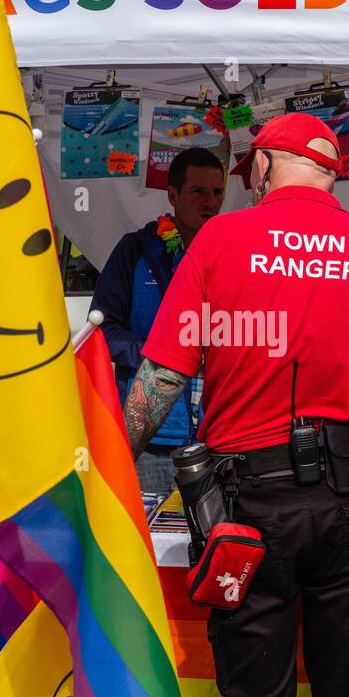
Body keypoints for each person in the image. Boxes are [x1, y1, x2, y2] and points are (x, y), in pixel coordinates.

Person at [123, 113, 349, 697]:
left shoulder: (219, 240)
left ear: (267, 165)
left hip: (249, 506)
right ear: (330, 172)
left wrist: (103, 460)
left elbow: (161, 379)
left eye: (250, 171)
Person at [91, 147, 226, 493]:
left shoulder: (235, 251)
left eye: (217, 192)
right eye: (198, 191)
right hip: (154, 438)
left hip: (220, 436)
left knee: (214, 542)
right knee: (153, 542)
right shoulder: (135, 250)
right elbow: (103, 332)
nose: (210, 201)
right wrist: (166, 358)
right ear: (173, 195)